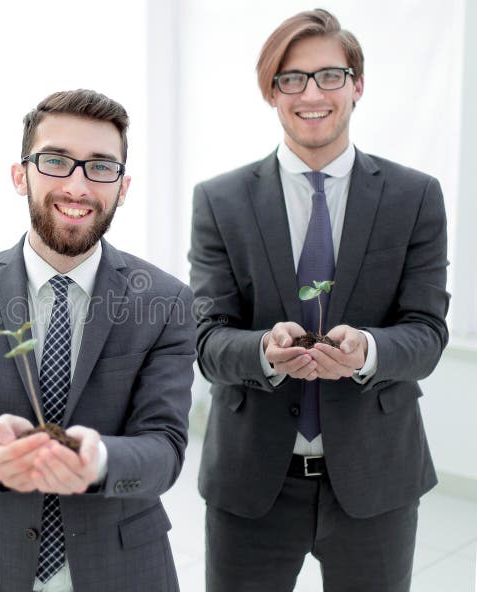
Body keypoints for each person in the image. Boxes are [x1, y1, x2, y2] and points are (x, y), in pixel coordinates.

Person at [189, 9, 449, 592]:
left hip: (376, 477)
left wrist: (369, 352)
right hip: (253, 480)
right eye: (291, 78)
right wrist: (262, 349)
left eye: (330, 75)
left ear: (357, 84)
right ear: (271, 92)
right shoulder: (220, 201)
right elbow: (206, 341)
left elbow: (427, 333)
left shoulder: (415, 197)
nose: (312, 93)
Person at [0, 89, 196, 592]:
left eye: (100, 167)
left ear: (123, 186)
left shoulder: (166, 301)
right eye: (56, 161)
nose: (77, 185)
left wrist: (100, 460)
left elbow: (166, 448)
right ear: (20, 174)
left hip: (123, 568)